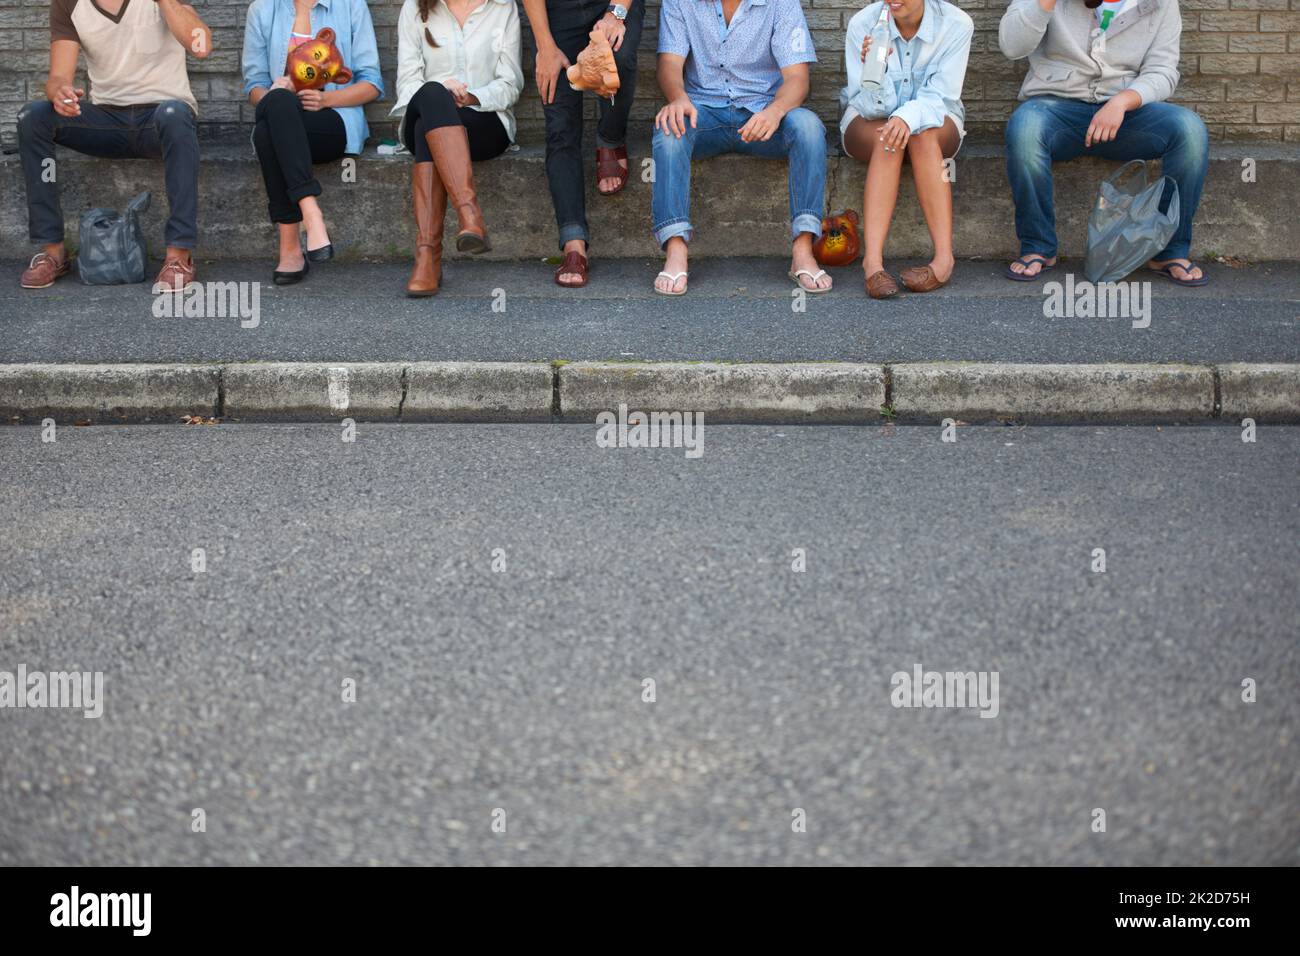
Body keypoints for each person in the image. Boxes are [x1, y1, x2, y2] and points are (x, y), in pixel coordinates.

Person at [1000, 0, 1210, 285]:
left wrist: (1123, 102)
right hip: (1057, 108)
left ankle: (1169, 250)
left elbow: (1163, 70)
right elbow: (1012, 47)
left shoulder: (1159, 3)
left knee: (1189, 129)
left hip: (1127, 113)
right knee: (1025, 127)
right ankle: (1038, 246)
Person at [17, 0, 212, 292]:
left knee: (176, 114)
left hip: (160, 118)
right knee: (33, 118)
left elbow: (201, 47)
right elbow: (58, 77)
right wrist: (61, 94)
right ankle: (53, 250)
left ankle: (178, 255)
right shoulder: (69, 3)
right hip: (106, 120)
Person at [651, 0, 830, 297]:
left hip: (763, 116)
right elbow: (669, 64)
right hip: (704, 112)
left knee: (808, 127)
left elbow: (798, 78)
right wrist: (678, 97)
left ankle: (803, 248)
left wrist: (775, 112)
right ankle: (676, 248)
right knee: (669, 130)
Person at [243, 0, 383, 285]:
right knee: (276, 108)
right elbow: (254, 85)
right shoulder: (263, 9)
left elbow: (372, 82)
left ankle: (291, 246)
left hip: (332, 119)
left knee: (266, 132)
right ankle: (311, 212)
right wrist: (275, 97)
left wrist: (325, 99)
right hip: (282, 119)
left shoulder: (351, 6)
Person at [841, 0, 972, 299]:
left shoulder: (956, 24)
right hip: (870, 118)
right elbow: (865, 102)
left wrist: (907, 117)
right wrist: (878, 70)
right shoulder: (864, 24)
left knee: (921, 135)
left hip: (937, 120)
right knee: (889, 138)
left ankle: (943, 261)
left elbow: (942, 96)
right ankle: (873, 264)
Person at [392, 0, 523, 296]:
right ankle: (469, 216)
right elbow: (407, 83)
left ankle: (428, 257)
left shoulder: (503, 7)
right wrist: (441, 92)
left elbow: (511, 83)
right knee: (432, 94)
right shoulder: (415, 7)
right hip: (424, 113)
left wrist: (472, 96)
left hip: (484, 122)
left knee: (427, 127)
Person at [523, 0, 646, 288]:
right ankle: (573, 245)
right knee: (560, 128)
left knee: (620, 58)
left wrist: (616, 14)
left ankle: (611, 138)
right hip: (555, 13)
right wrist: (545, 47)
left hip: (611, 2)